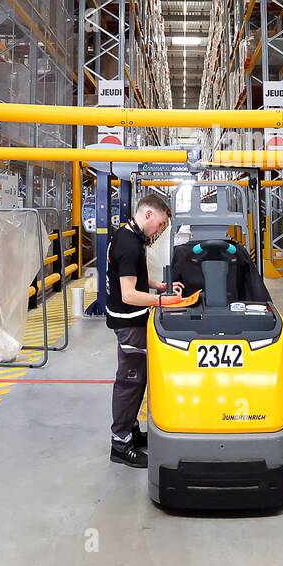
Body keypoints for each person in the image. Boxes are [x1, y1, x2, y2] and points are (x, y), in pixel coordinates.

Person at [106, 192, 182, 468]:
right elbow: (128, 294)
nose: (159, 230)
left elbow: (134, 278)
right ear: (148, 214)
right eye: (160, 224)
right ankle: (120, 443)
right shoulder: (128, 243)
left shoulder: (132, 236)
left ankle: (131, 430)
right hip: (129, 320)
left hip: (132, 318)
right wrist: (163, 301)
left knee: (138, 379)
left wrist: (159, 286)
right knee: (130, 381)